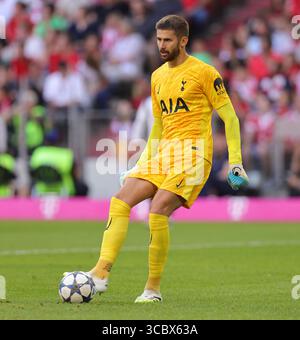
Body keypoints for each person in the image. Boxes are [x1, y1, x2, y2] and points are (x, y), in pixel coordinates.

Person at [66, 15, 249, 303]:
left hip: (194, 155)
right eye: (158, 39)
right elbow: (159, 126)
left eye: (167, 40)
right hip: (164, 153)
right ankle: (101, 274)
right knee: (120, 200)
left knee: (158, 210)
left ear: (183, 40)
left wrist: (236, 161)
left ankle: (152, 290)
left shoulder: (205, 73)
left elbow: (230, 117)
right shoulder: (157, 76)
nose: (161, 45)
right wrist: (140, 163)